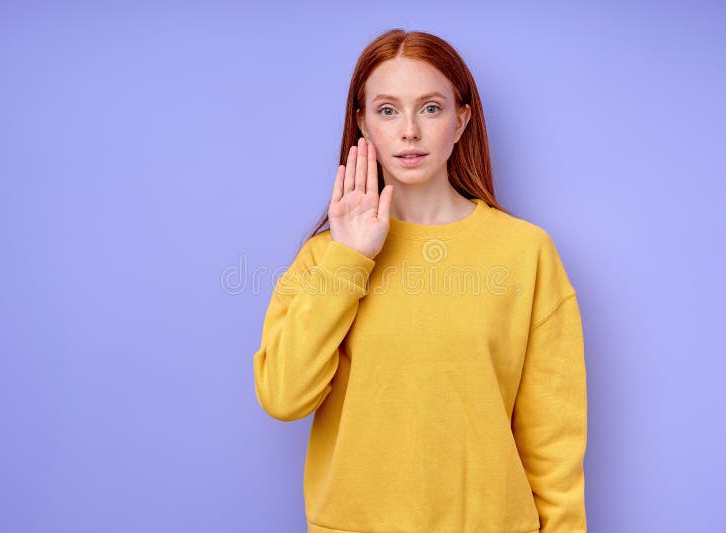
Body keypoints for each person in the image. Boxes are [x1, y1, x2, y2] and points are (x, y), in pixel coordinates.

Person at [252, 28, 588, 533]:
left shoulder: (525, 252)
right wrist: (350, 259)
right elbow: (283, 396)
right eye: (387, 110)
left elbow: (554, 442)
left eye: (430, 108)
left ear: (461, 121)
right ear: (363, 124)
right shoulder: (326, 258)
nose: (409, 130)